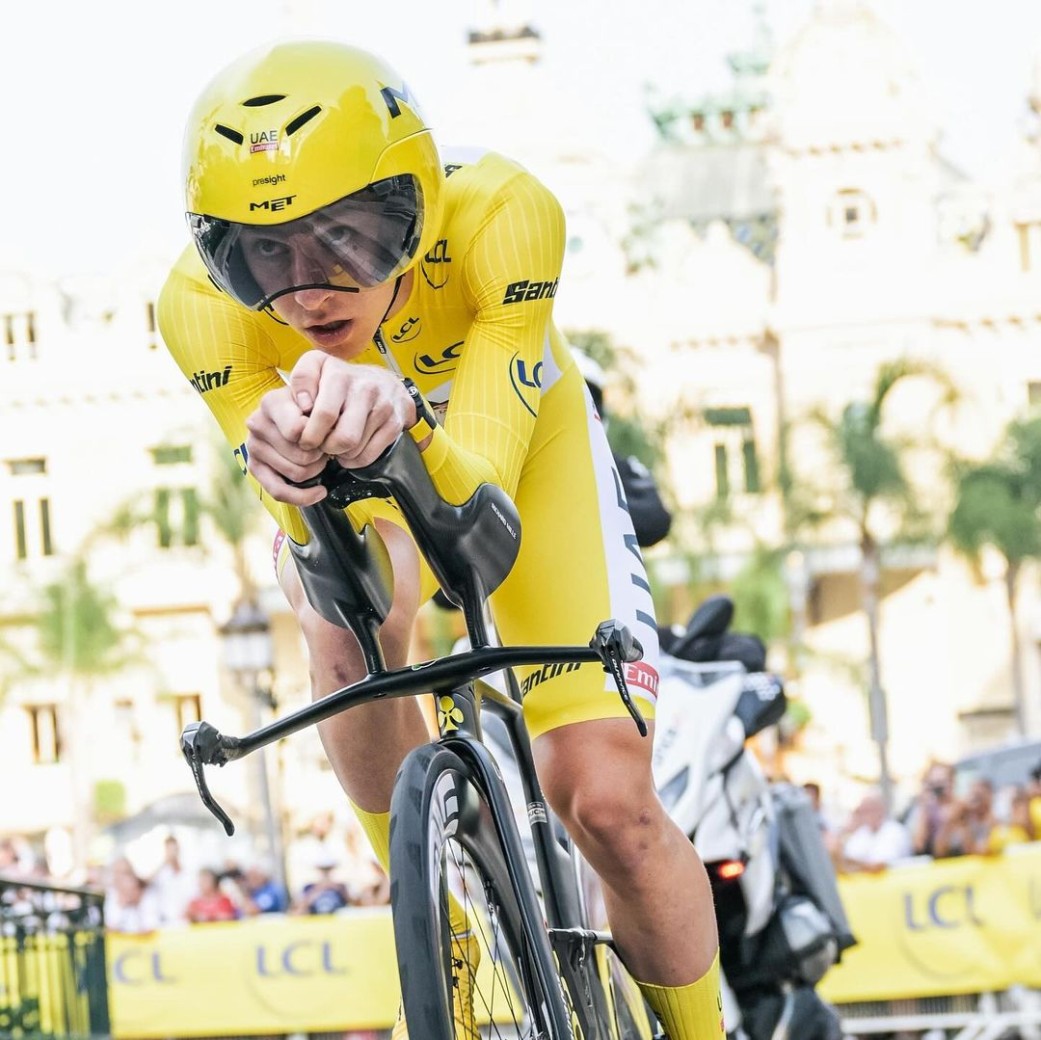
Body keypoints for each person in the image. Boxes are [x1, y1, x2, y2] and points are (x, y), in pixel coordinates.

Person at [157, 39, 722, 1039]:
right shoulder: (202, 312)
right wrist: (289, 471)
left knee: (606, 804)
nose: (306, 290)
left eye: (347, 240)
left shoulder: (505, 215)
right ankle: (445, 930)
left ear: (412, 211)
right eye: (262, 253)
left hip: (519, 449)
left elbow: (483, 526)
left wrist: (410, 412)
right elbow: (334, 555)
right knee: (343, 629)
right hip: (368, 465)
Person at [838, 789, 912, 873]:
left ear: (881, 808)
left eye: (871, 808)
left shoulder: (896, 831)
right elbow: (848, 859)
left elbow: (880, 865)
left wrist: (858, 864)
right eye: (864, 810)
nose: (868, 814)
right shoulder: (861, 833)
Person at [906, 760, 956, 858]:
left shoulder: (962, 807)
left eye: (942, 782)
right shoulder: (922, 809)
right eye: (934, 783)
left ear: (952, 781)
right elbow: (918, 846)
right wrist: (924, 808)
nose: (938, 787)